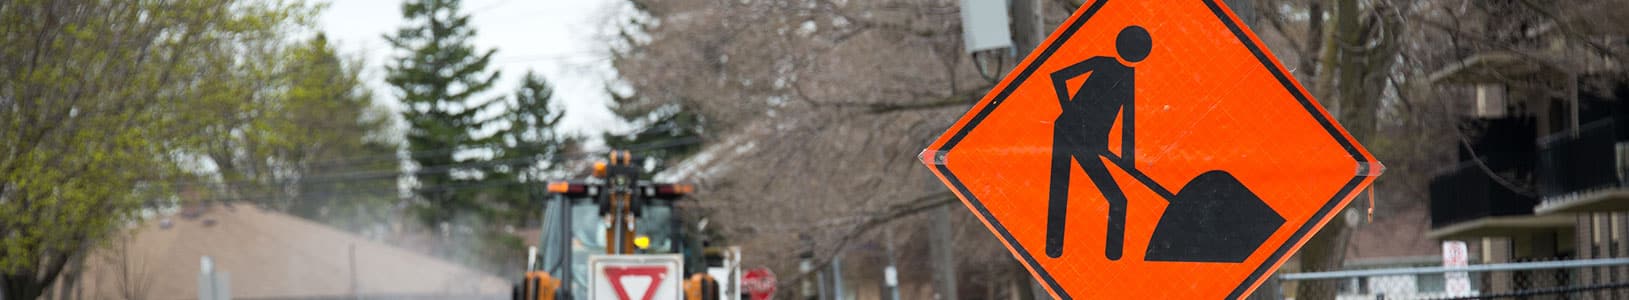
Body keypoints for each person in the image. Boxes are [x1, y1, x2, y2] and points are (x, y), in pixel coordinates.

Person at [1045, 25, 1150, 260]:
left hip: (1086, 139)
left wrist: (1128, 163)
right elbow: (1058, 77)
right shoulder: (1103, 63)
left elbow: (1128, 127)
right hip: (1067, 132)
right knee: (1063, 191)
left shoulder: (1127, 77)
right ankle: (1055, 251)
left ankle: (1111, 259)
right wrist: (1070, 111)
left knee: (1117, 200)